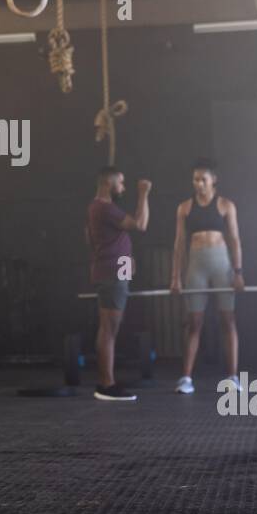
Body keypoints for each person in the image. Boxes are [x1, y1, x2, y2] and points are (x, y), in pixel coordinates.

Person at [170, 158, 244, 395]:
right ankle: (186, 378)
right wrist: (175, 278)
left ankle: (233, 377)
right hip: (196, 265)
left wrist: (238, 272)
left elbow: (234, 240)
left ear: (214, 180)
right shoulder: (184, 208)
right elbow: (179, 245)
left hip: (222, 264)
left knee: (228, 320)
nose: (199, 184)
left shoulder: (226, 205)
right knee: (194, 324)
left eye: (203, 179)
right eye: (195, 180)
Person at [86, 166, 150, 401]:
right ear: (108, 183)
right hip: (112, 275)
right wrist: (144, 193)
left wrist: (126, 263)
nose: (123, 187)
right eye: (121, 183)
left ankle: (107, 381)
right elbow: (141, 224)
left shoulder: (97, 208)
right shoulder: (104, 208)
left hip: (115, 271)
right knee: (109, 329)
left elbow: (100, 241)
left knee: (109, 328)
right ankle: (106, 385)